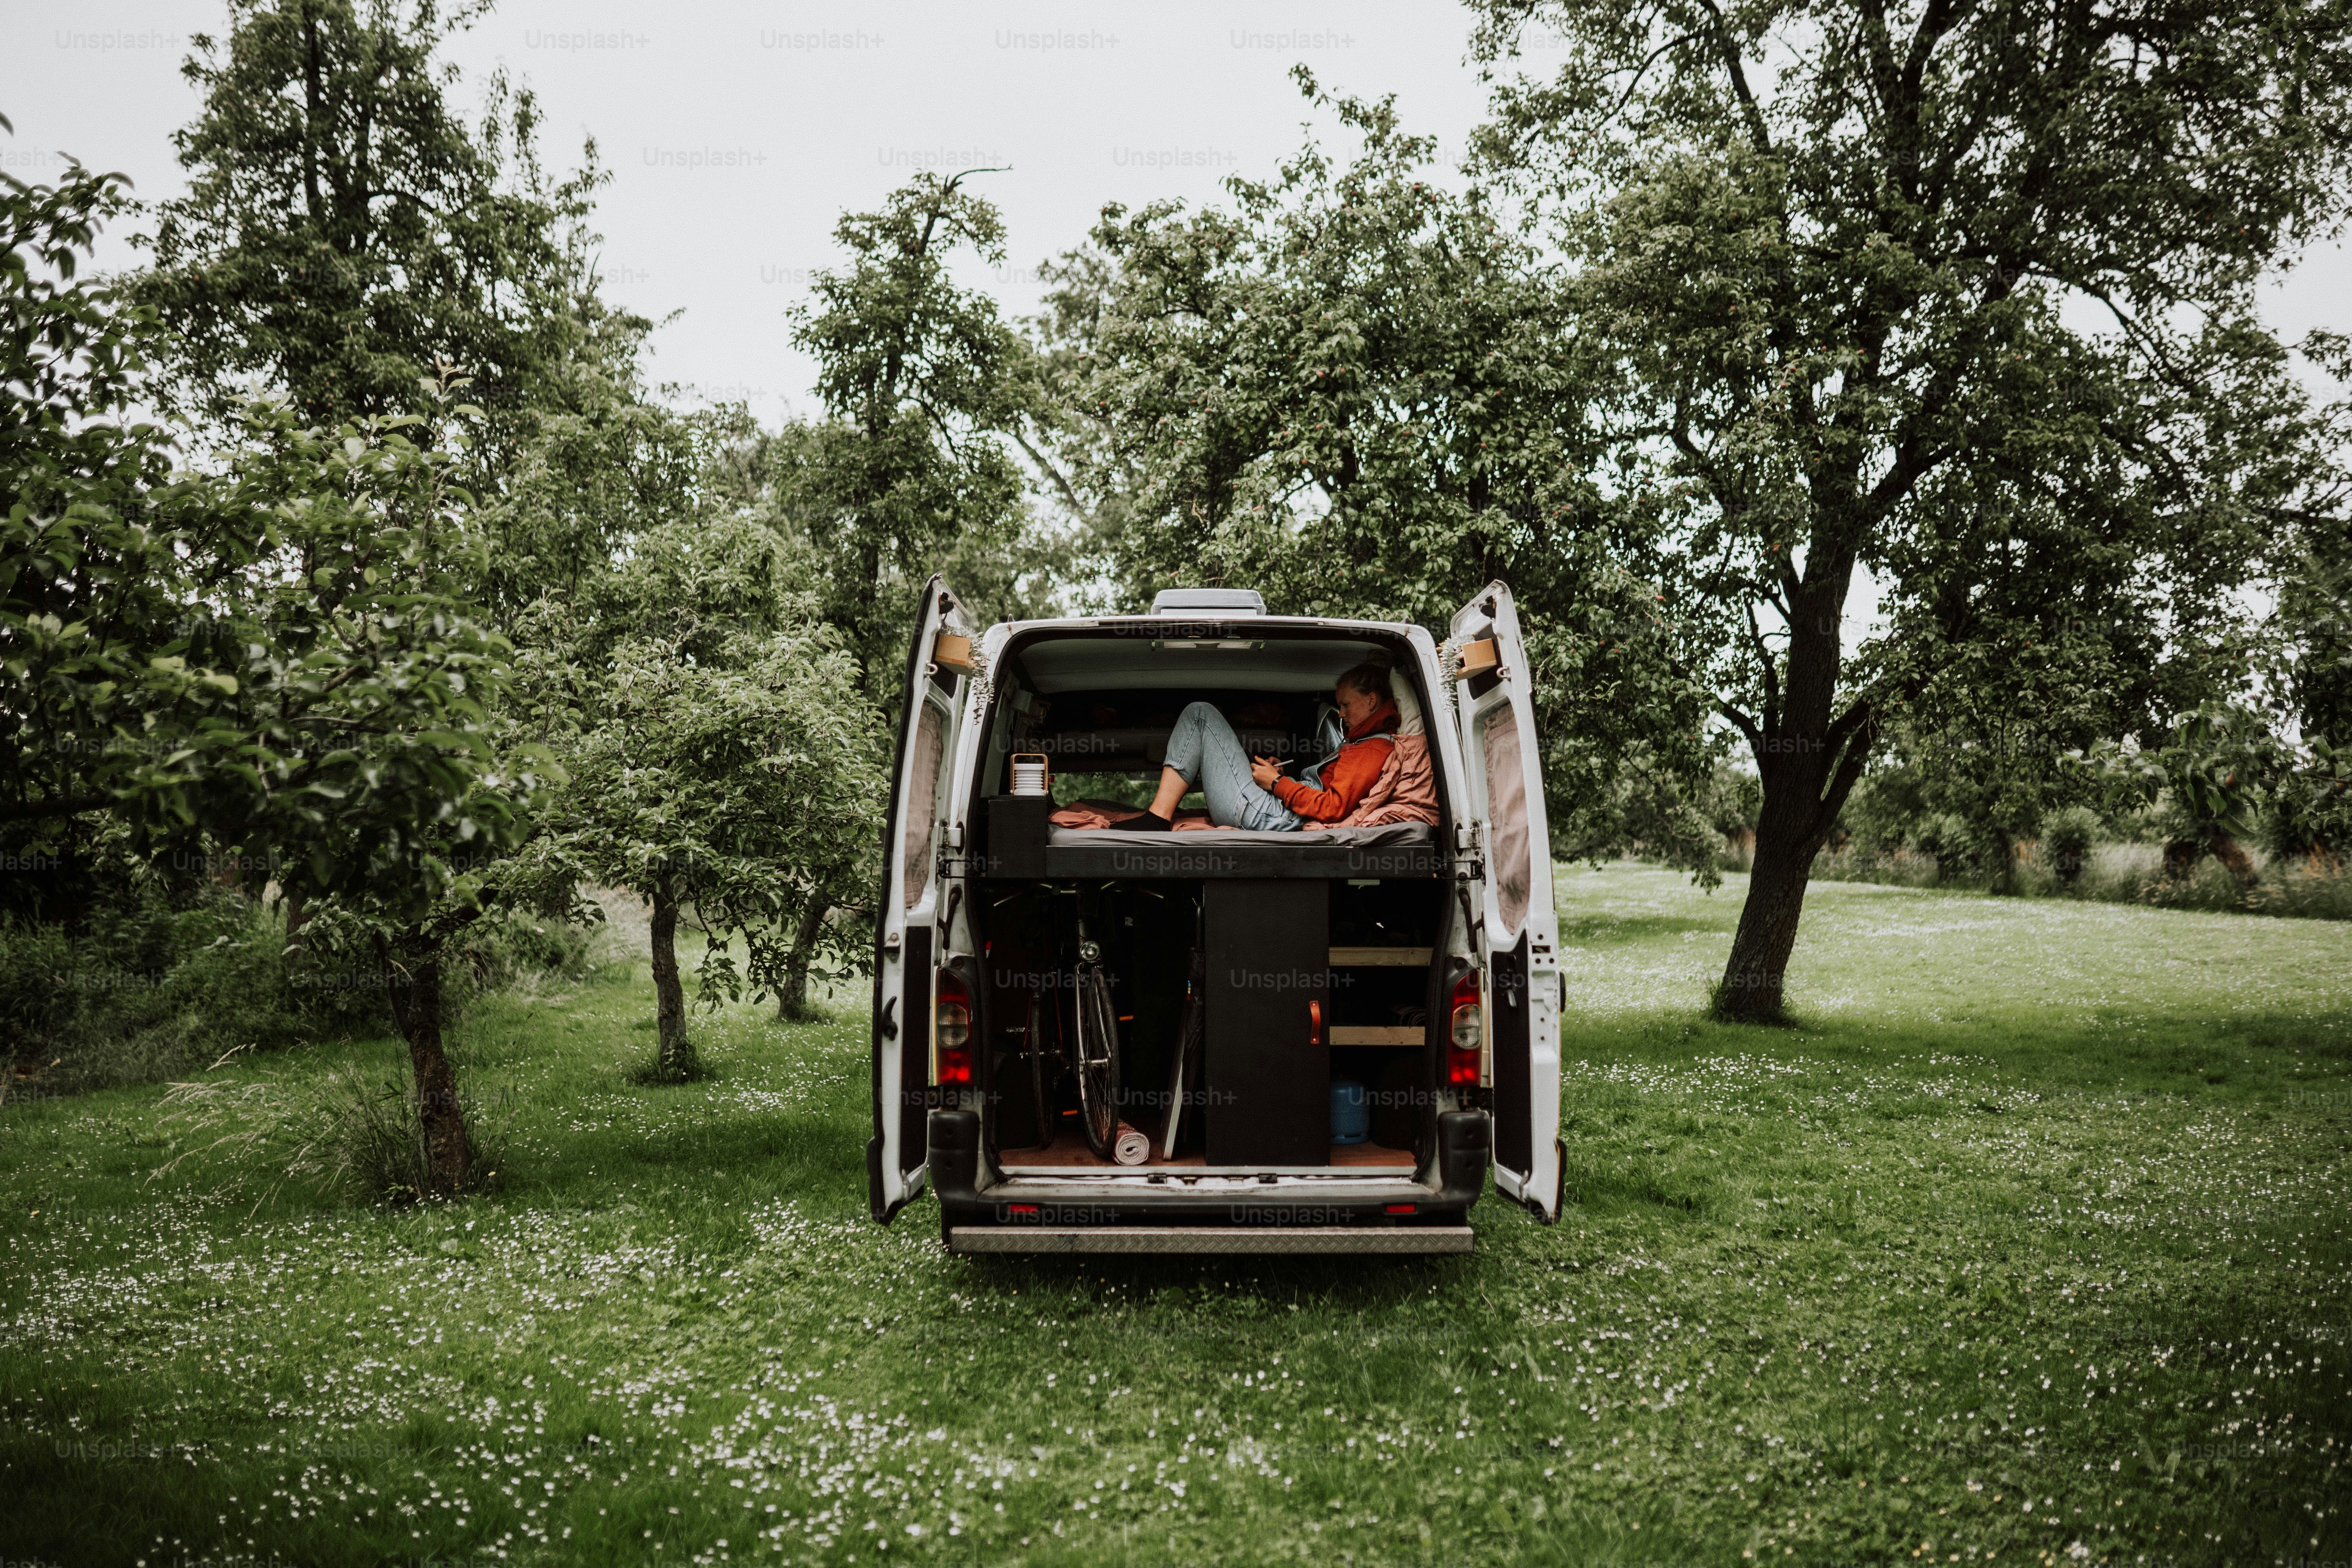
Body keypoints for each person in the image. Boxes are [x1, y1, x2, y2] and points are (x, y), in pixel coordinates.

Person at [1139, 662, 1401, 830]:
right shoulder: (1362, 743)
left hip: (1270, 816)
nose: (1341, 714)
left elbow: (1332, 808)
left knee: (1200, 714)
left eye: (1345, 705)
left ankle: (1158, 818)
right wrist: (1282, 778)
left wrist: (1277, 784)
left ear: (1371, 700)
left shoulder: (1372, 749)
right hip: (1274, 813)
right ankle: (1157, 817)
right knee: (1202, 717)